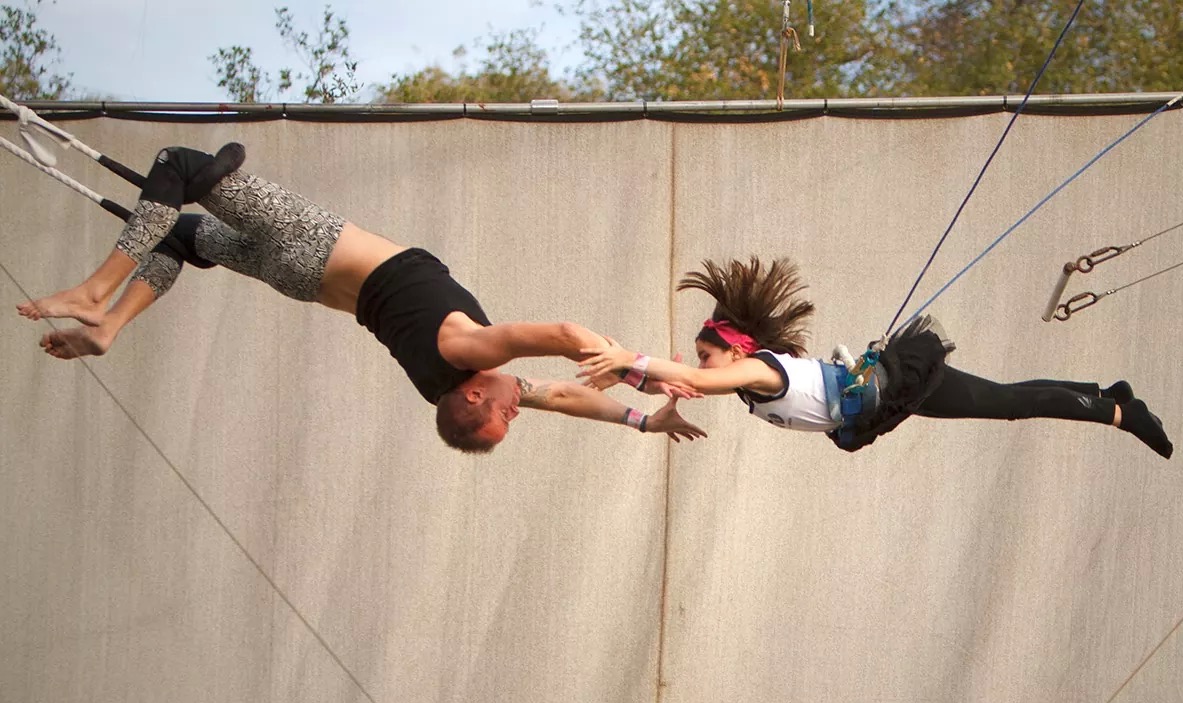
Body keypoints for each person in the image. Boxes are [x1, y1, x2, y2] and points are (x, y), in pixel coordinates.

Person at [15, 143, 705, 452]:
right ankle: (109, 328)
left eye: (504, 412)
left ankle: (96, 292)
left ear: (472, 398)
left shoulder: (467, 351)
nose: (517, 406)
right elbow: (564, 396)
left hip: (315, 246)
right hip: (300, 282)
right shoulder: (447, 384)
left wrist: (630, 363)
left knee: (179, 166)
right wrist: (642, 422)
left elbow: (562, 333)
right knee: (180, 235)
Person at [577, 256, 1173, 458]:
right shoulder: (742, 383)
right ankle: (1107, 396)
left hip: (897, 385)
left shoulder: (759, 369)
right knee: (1006, 396)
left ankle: (1120, 412)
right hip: (882, 401)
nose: (700, 366)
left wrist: (631, 357)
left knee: (1008, 402)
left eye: (707, 356)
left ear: (736, 349)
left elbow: (685, 377)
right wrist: (620, 371)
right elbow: (671, 383)